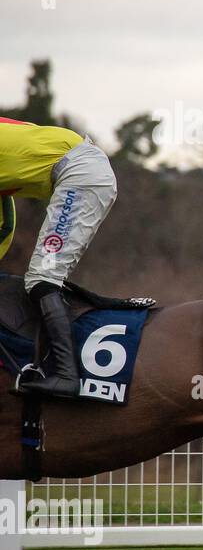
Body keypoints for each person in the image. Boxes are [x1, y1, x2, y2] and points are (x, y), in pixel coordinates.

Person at [0, 117, 118, 397]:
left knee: (43, 277)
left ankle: (67, 375)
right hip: (82, 171)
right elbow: (6, 222)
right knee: (42, 276)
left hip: (80, 174)